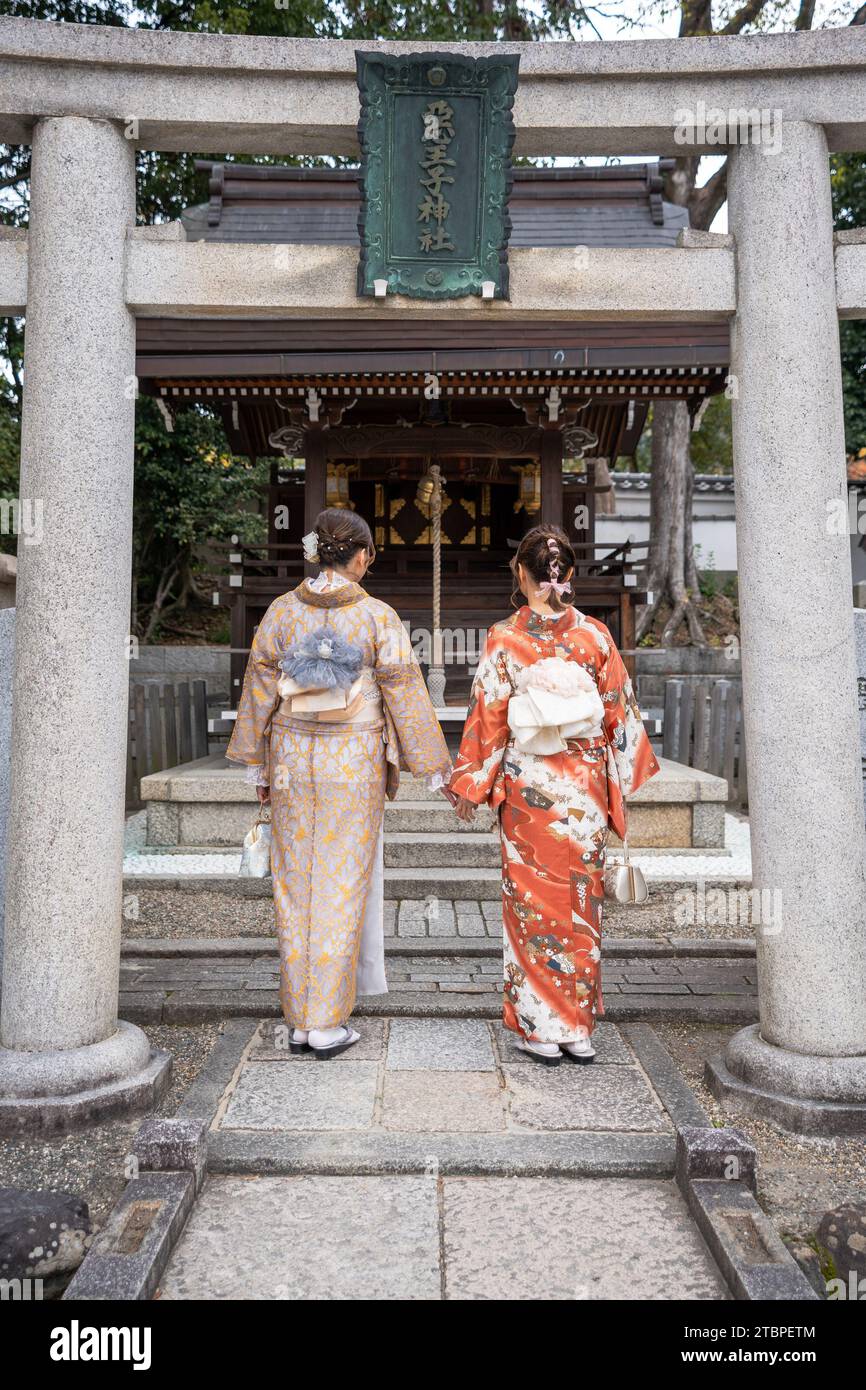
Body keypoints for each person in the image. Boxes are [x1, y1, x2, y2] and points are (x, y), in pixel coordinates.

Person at [226, 508, 452, 1059]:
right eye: (368, 555)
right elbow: (403, 689)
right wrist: (432, 765)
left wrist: (259, 766)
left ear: (314, 553)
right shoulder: (377, 616)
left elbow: (261, 691)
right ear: (360, 557)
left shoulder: (281, 612)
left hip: (292, 758)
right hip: (352, 761)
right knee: (340, 882)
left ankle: (301, 1017)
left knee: (293, 881)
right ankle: (324, 1021)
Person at [449, 524, 659, 1066]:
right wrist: (618, 784)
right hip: (583, 786)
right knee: (580, 901)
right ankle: (577, 1028)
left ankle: (541, 1028)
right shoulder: (596, 637)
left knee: (532, 902)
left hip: (529, 789)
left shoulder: (504, 637)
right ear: (567, 575)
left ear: (521, 575)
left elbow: (490, 718)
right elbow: (619, 717)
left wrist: (471, 783)